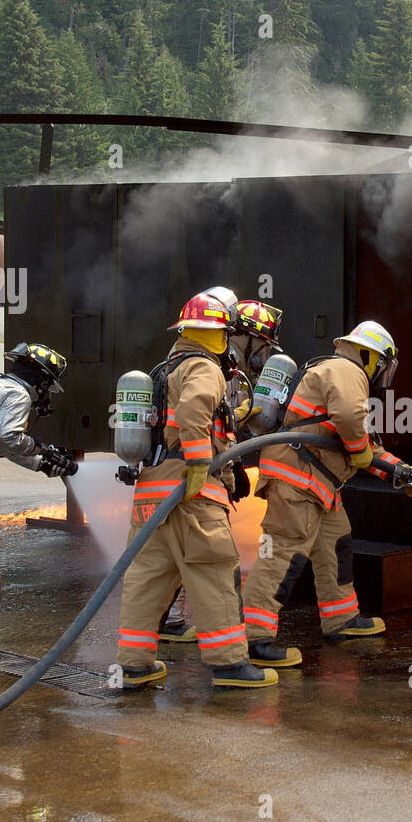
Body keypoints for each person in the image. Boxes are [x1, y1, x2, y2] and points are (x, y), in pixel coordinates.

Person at [241, 320, 412, 664]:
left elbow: (365, 449)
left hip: (317, 486)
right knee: (282, 557)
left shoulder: (337, 372)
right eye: (383, 364)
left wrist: (408, 476)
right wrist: (360, 449)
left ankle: (341, 619)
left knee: (336, 545)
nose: (382, 374)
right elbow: (350, 422)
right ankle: (253, 640)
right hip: (297, 482)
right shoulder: (347, 370)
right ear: (369, 356)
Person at [113, 291, 277, 690]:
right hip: (191, 495)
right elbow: (192, 411)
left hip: (152, 495)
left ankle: (134, 664)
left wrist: (231, 441)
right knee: (214, 572)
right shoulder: (205, 366)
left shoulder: (167, 367)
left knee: (147, 578)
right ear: (221, 334)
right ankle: (229, 664)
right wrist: (202, 465)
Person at [157, 296, 285, 642]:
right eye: (263, 346)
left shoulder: (222, 366)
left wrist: (234, 465)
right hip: (188, 472)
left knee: (177, 552)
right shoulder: (209, 365)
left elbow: (219, 426)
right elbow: (199, 421)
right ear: (246, 337)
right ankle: (226, 649)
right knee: (213, 558)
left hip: (181, 471)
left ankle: (167, 622)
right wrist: (211, 468)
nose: (264, 356)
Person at [0, 343, 75, 588]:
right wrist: (41, 448)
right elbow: (7, 436)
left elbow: (2, 443)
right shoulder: (18, 394)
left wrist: (41, 464)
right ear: (41, 382)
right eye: (48, 387)